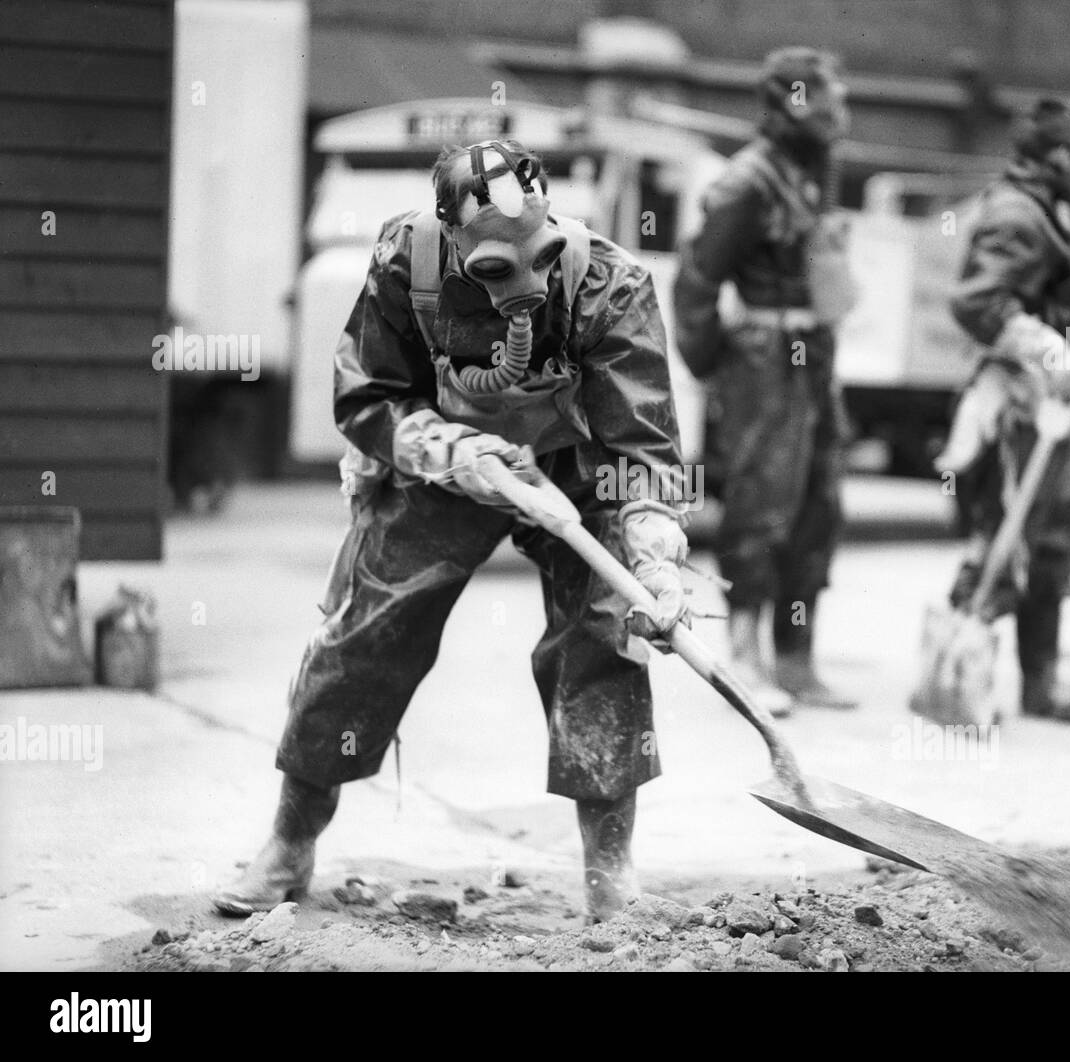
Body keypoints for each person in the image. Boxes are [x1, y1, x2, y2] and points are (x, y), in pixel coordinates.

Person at [214, 139, 691, 922]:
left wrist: (655, 555)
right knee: (368, 629)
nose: (529, 287)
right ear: (454, 237)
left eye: (540, 255)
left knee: (604, 635)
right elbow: (367, 396)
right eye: (501, 268)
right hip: (455, 461)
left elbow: (642, 446)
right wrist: (442, 448)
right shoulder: (409, 262)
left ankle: (611, 871)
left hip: (575, 467)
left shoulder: (611, 286)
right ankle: (290, 843)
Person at [672, 46, 857, 718]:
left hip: (815, 352)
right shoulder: (746, 184)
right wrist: (719, 363)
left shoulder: (813, 173)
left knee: (819, 504)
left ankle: (796, 659)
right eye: (830, 104)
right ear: (795, 104)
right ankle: (745, 659)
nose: (841, 118)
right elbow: (695, 283)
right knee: (760, 505)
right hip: (765, 357)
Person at [937, 98, 1070, 724]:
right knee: (1001, 542)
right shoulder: (1017, 215)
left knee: (1053, 544)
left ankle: (1039, 688)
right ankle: (954, 681)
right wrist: (1046, 349)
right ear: (1059, 156)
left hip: (1054, 412)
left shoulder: (1054, 210)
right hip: (1017, 410)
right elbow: (977, 302)